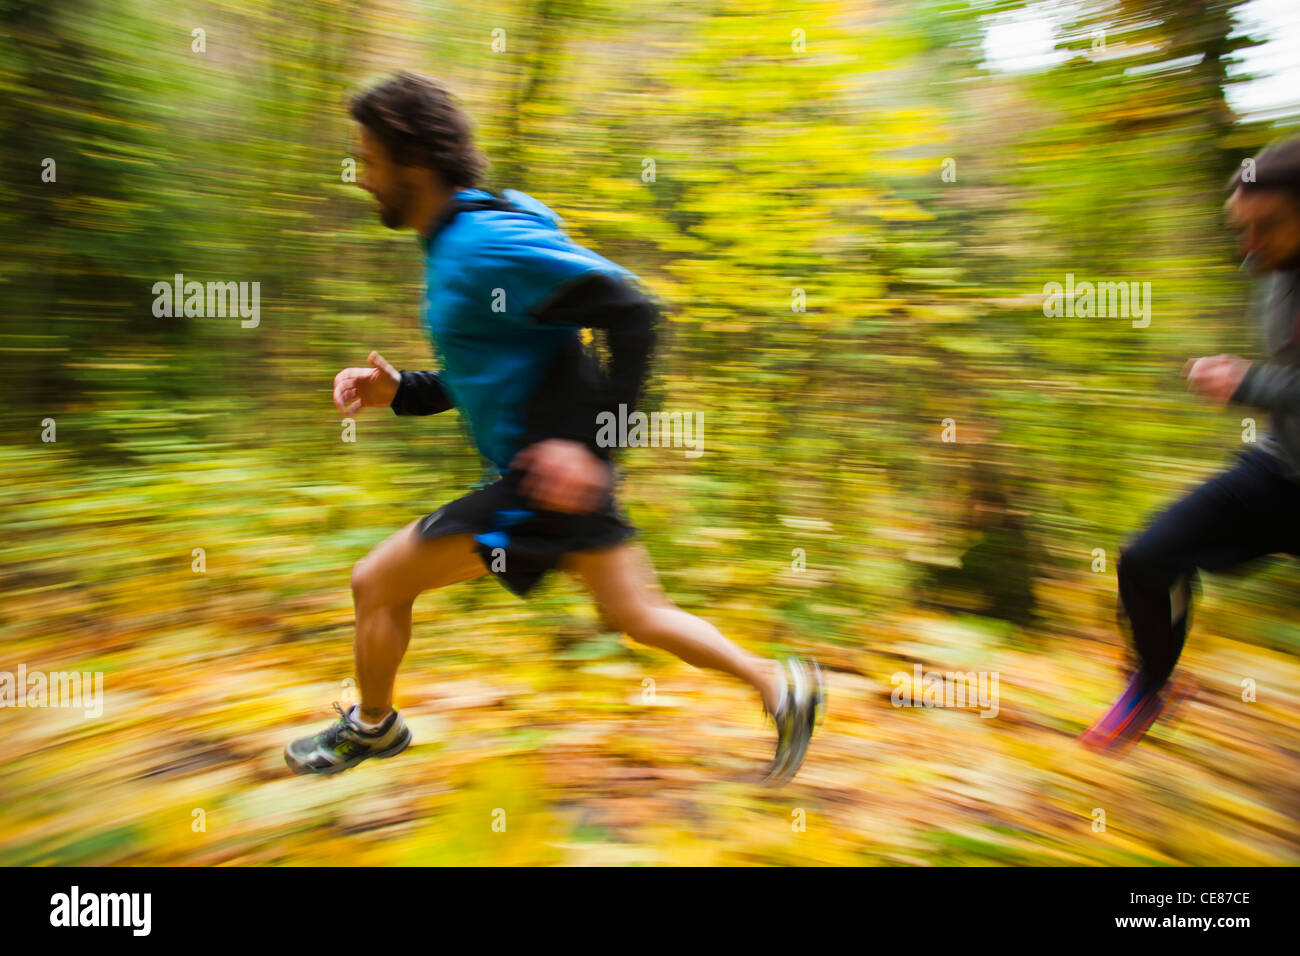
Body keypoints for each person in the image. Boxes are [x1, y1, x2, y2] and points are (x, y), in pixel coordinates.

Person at [284, 72, 824, 784]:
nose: (362, 177)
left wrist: (592, 450)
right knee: (640, 614)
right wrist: (404, 392)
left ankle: (373, 728)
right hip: (561, 484)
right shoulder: (457, 247)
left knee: (376, 583)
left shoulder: (483, 243)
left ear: (412, 162)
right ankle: (782, 689)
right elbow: (495, 367)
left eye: (370, 160)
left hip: (542, 483)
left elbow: (634, 312)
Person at [1082, 137, 1300, 752]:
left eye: (1267, 227)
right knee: (1147, 559)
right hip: (1283, 470)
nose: (1249, 248)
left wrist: (1250, 381)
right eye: (1242, 229)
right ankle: (1154, 682)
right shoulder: (1274, 268)